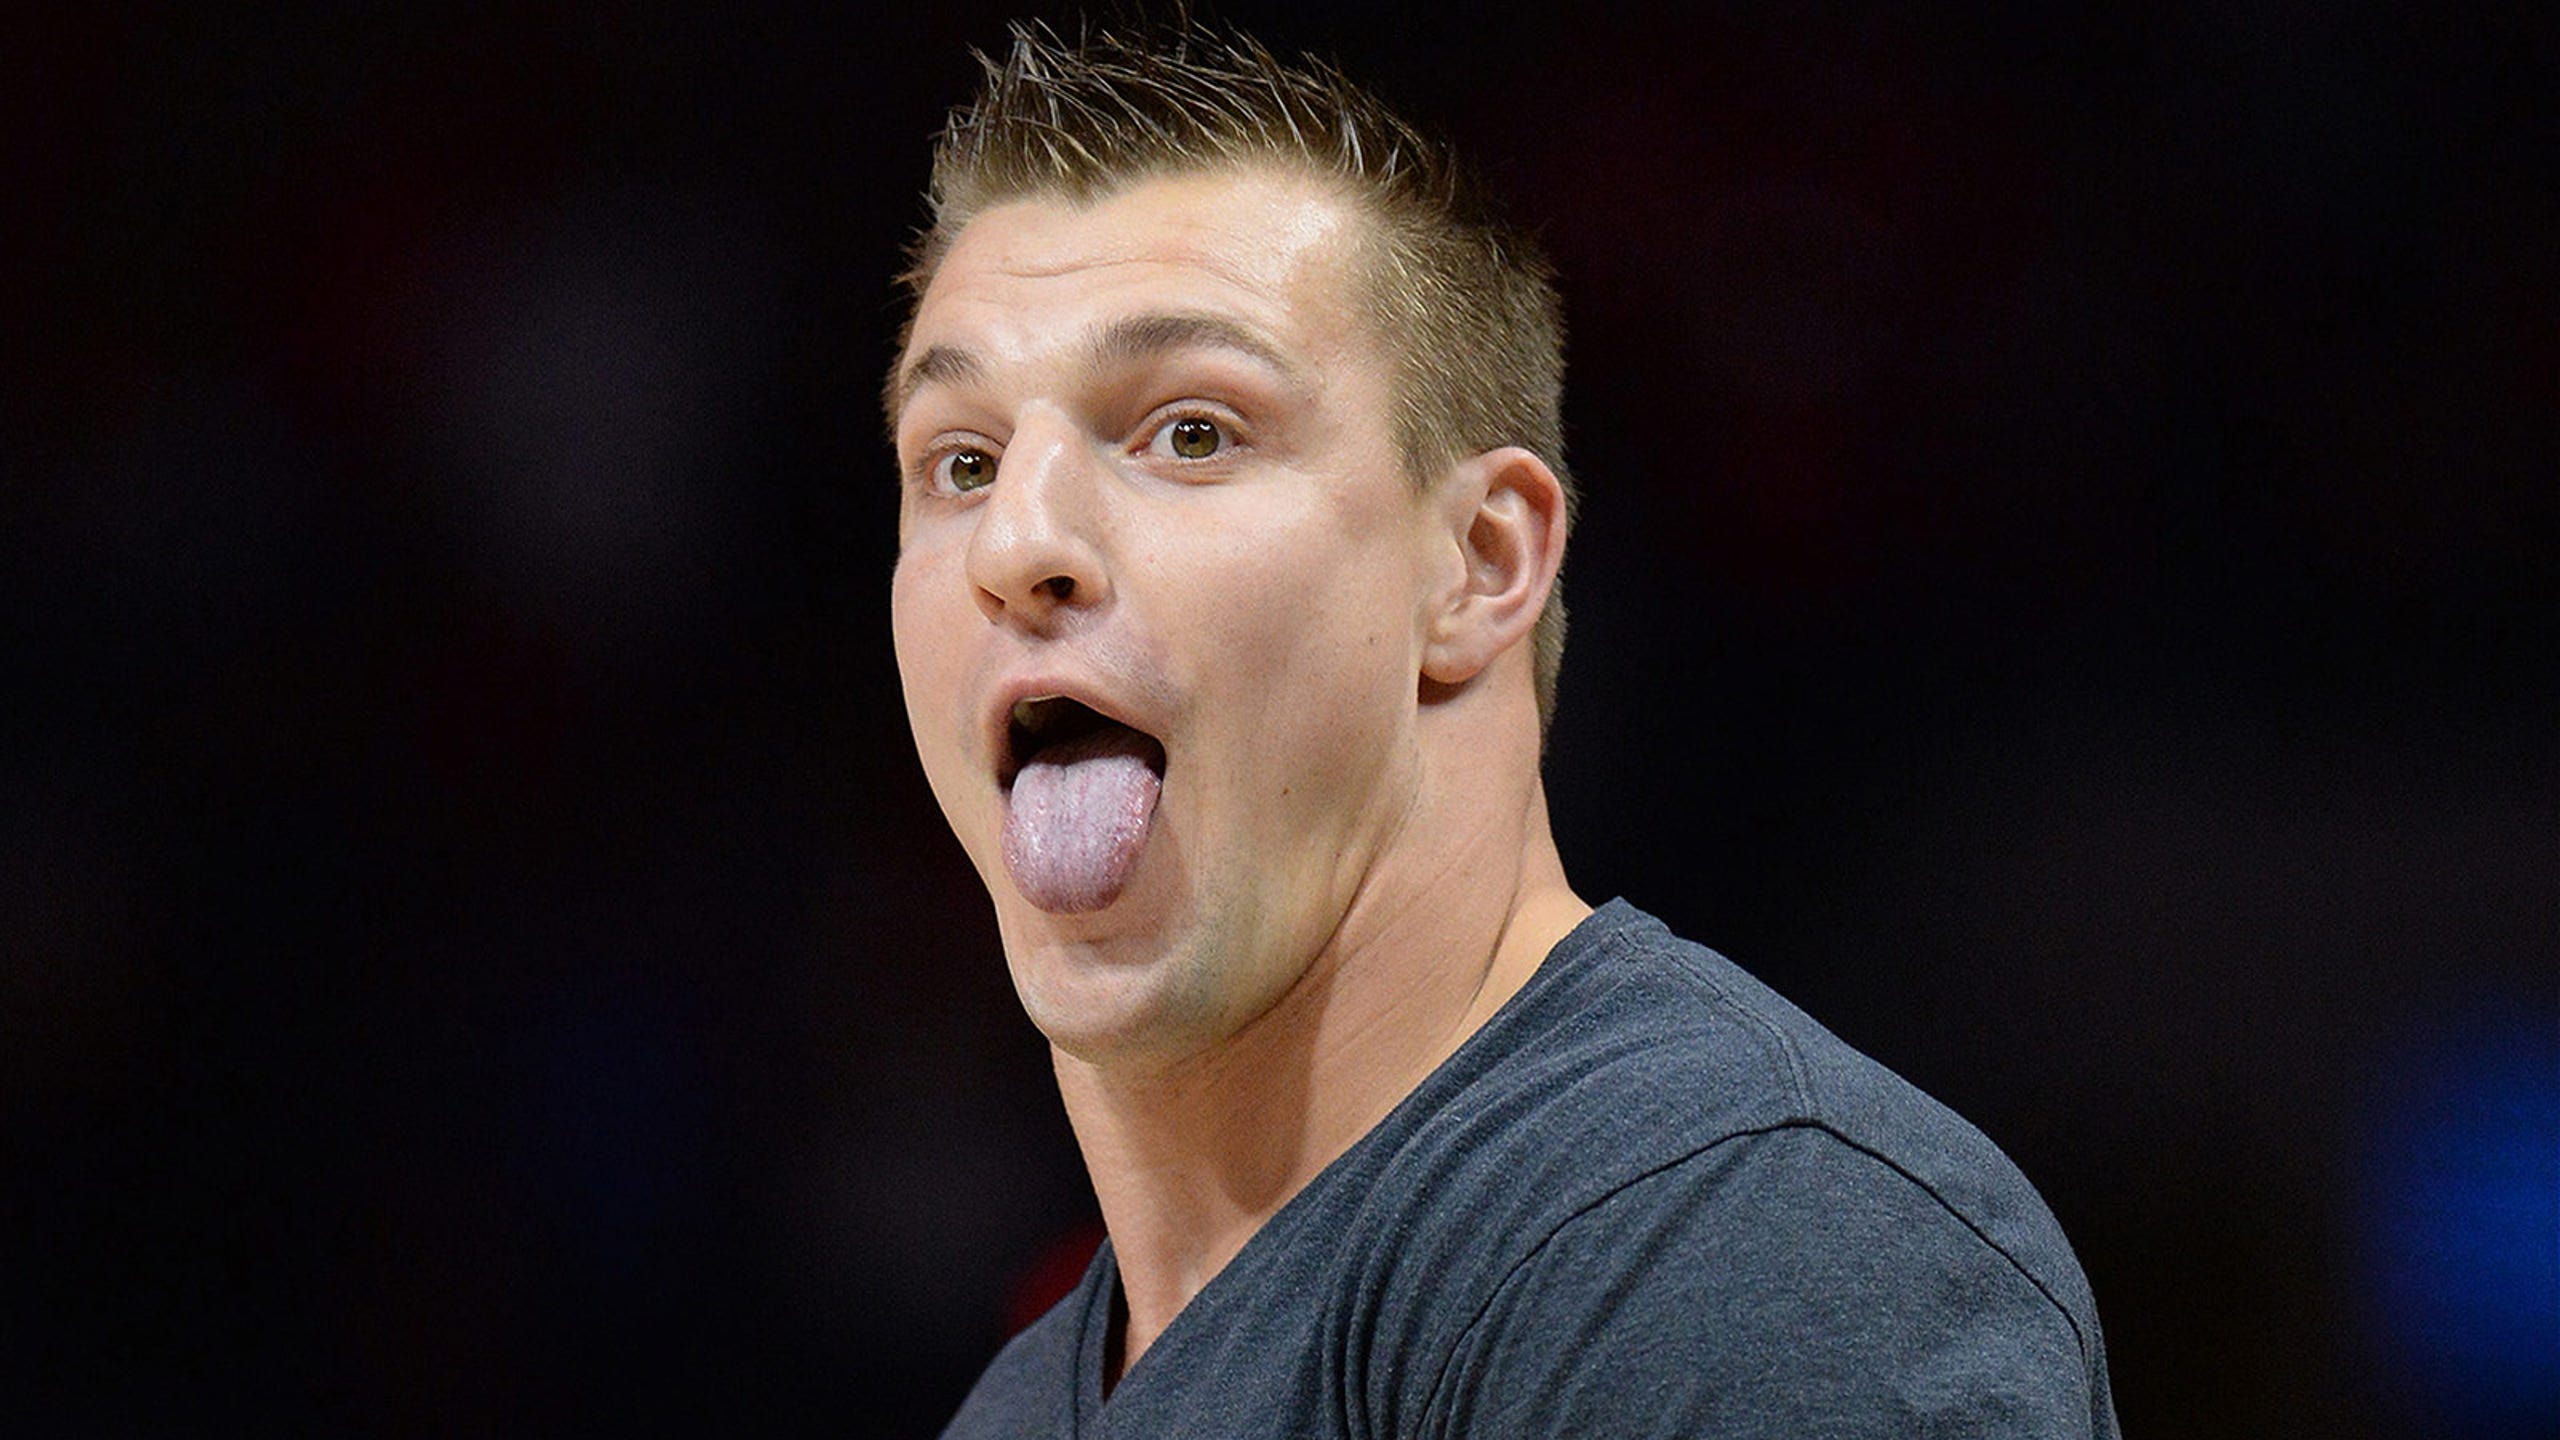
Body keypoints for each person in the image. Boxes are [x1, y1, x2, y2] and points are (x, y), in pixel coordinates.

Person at [885, 18, 2120, 1438]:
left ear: (1478, 563)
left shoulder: (1745, 1250)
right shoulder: (1015, 1414)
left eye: (1193, 432)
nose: (1016, 542)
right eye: (961, 462)